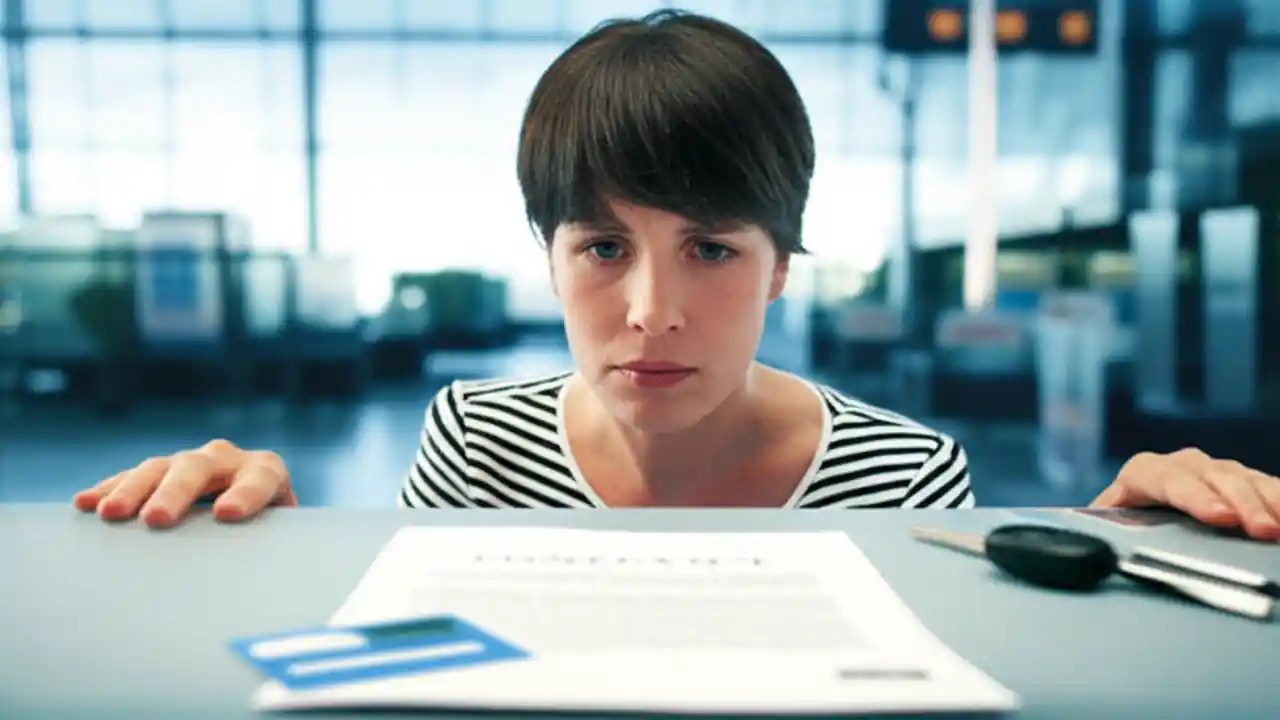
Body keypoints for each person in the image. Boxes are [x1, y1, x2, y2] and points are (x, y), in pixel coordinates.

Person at [73, 10, 1280, 540]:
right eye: (601, 247)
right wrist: (263, 552)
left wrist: (1125, 556)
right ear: (546, 260)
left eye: (710, 247)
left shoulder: (905, 475)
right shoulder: (474, 443)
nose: (649, 309)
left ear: (778, 273)